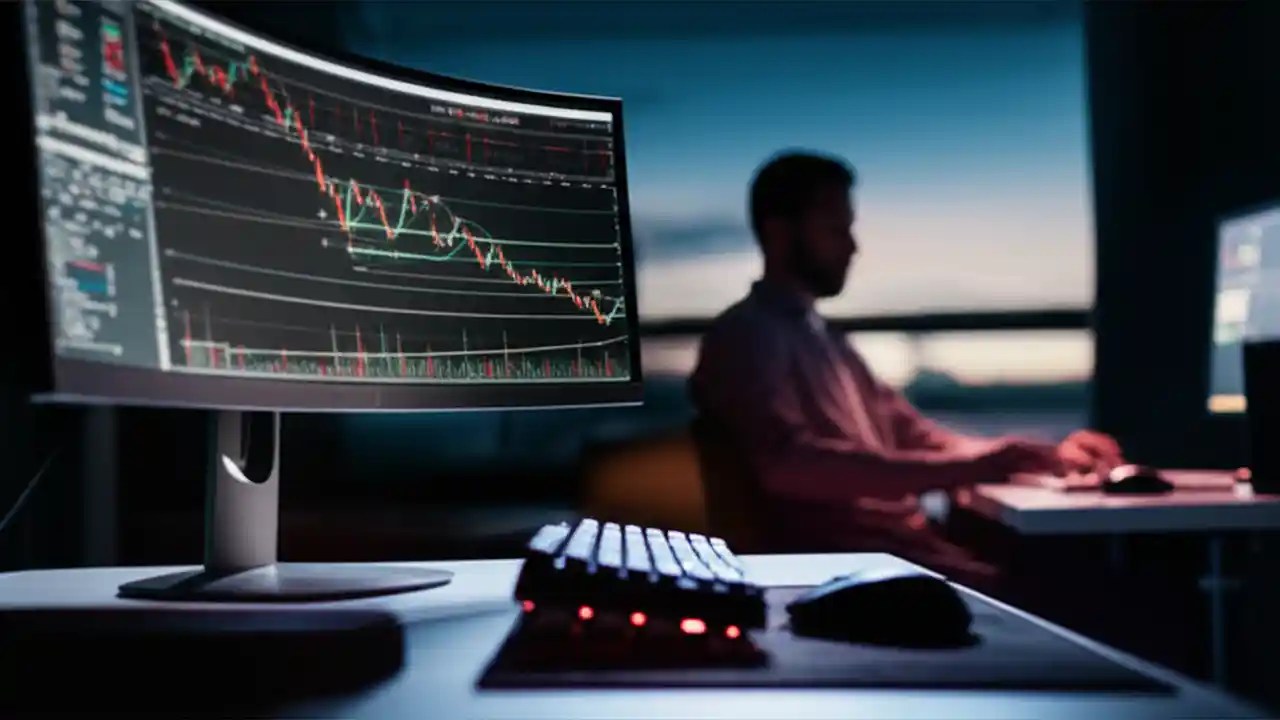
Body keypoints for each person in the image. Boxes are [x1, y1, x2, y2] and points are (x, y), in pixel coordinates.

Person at [689, 150, 1124, 575]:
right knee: (1105, 586)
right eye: (836, 230)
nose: (853, 247)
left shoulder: (824, 338)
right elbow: (788, 466)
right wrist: (978, 465)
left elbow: (916, 436)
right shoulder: (746, 335)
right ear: (780, 233)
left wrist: (1027, 454)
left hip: (906, 549)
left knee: (1096, 574)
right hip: (860, 567)